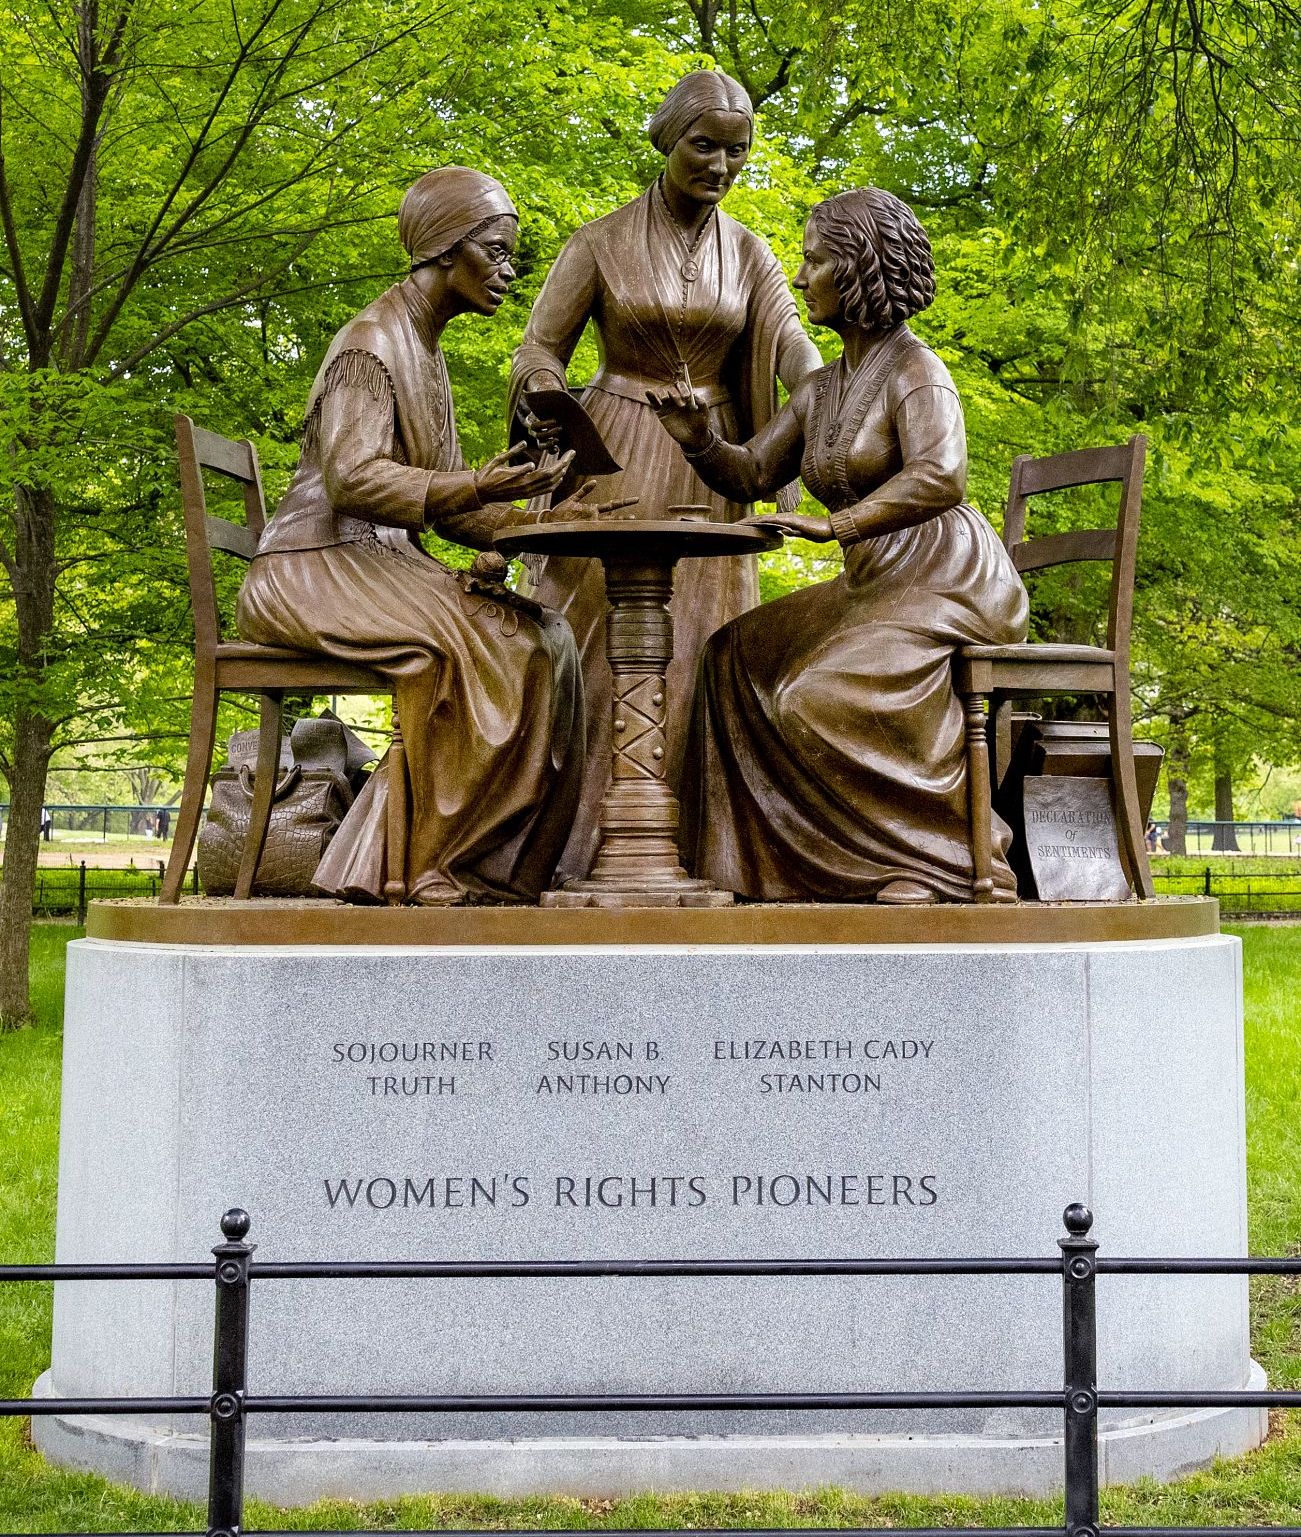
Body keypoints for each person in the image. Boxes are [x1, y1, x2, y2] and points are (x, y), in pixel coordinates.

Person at [237, 167, 615, 905]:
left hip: (373, 559)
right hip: (311, 567)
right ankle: (427, 863)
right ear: (446, 248)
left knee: (549, 635)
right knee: (489, 644)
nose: (508, 272)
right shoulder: (371, 344)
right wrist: (476, 486)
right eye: (495, 252)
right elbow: (353, 479)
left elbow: (449, 508)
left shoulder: (426, 349)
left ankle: (491, 863)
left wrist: (545, 520)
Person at [648, 187, 1030, 904]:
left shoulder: (918, 371)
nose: (799, 279)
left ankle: (940, 860)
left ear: (858, 271)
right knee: (730, 659)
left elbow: (941, 475)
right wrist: (698, 439)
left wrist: (840, 525)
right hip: (873, 581)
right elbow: (754, 471)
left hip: (946, 576)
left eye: (814, 261)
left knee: (814, 698)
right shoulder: (822, 388)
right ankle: (762, 869)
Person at [508, 69, 821, 881]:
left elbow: (790, 341)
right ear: (668, 140)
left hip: (710, 461)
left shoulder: (749, 253)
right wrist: (543, 391)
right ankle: (574, 850)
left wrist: (824, 389)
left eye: (737, 151)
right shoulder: (598, 241)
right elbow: (540, 346)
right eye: (704, 146)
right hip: (611, 450)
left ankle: (696, 851)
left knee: (704, 645)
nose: (720, 165)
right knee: (589, 642)